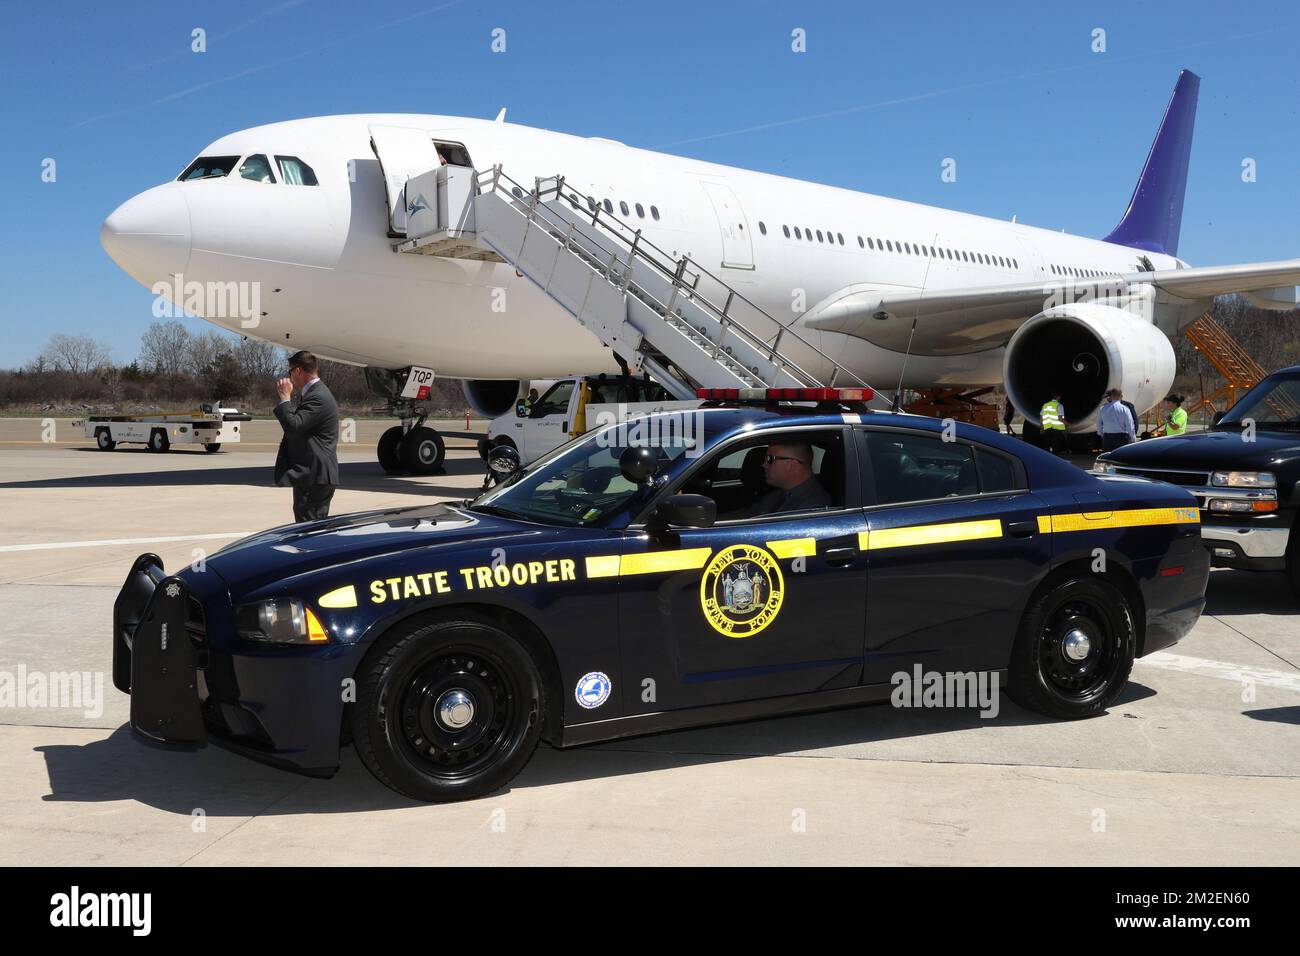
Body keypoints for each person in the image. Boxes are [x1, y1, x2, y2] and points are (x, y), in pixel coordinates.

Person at [273, 351, 340, 522]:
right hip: (312, 476)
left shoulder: (318, 396)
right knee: (308, 528)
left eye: (290, 372)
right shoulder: (315, 393)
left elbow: (293, 427)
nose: (289, 377)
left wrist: (285, 399)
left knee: (308, 531)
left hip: (315, 476)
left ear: (298, 371)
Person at [743, 442, 831, 517]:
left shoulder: (813, 508)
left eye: (770, 459)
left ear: (792, 464)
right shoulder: (776, 495)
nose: (764, 465)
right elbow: (749, 515)